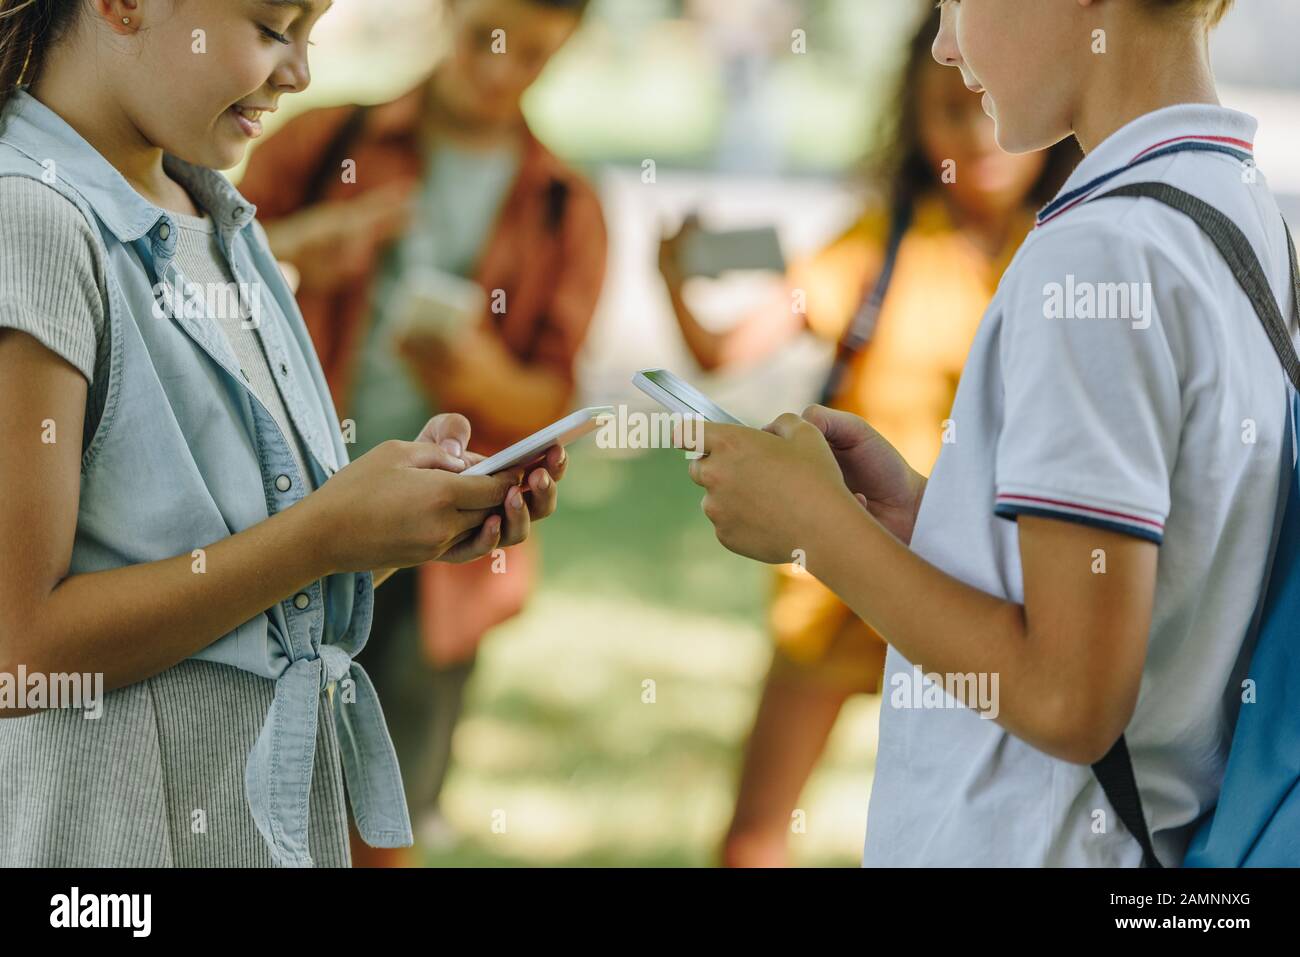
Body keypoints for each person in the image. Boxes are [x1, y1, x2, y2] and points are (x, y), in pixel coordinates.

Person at [680, 0, 1300, 865]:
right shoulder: (1232, 209)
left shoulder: (1098, 255)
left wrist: (816, 533)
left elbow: (1071, 699)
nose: (942, 41)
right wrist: (931, 524)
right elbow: (1155, 577)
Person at [0, 0, 565, 868]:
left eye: (311, 32)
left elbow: (235, 586)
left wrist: (392, 529)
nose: (300, 72)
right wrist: (319, 538)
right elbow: (19, 653)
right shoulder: (33, 222)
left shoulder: (217, 216)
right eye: (273, 27)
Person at [658, 4, 1078, 867]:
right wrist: (671, 276)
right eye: (950, 110)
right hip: (836, 585)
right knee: (756, 829)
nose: (980, 134)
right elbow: (724, 347)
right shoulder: (873, 250)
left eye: (991, 105)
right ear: (913, 120)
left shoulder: (1060, 251)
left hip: (973, 589)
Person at [237, 0, 605, 866]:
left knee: (381, 819)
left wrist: (469, 371)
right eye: (485, 39)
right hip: (275, 516)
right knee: (239, 796)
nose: (501, 70)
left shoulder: (563, 204)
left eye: (534, 57)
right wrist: (292, 253)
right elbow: (187, 290)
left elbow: (553, 394)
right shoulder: (327, 141)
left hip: (435, 556)